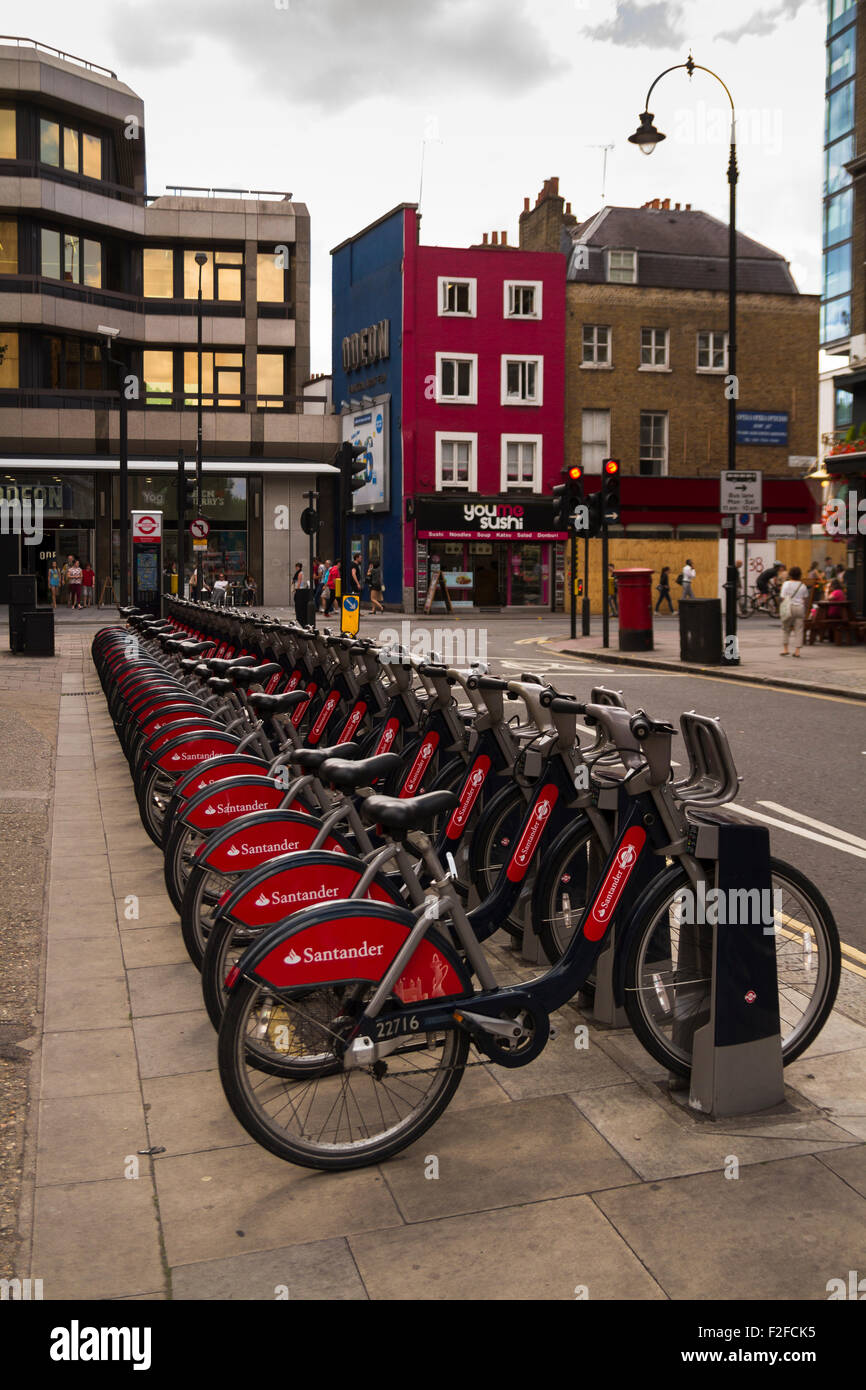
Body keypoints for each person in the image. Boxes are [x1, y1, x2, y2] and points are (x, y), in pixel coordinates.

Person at [779, 565, 809, 658]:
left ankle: (785, 649)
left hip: (789, 607)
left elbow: (783, 597)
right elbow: (805, 597)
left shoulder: (786, 584)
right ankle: (797, 651)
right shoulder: (803, 585)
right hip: (799, 607)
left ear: (790, 574)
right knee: (799, 629)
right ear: (799, 575)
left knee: (785, 628)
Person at [291, 561, 309, 625]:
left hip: (300, 589)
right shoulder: (298, 572)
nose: (296, 568)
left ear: (299, 567)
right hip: (299, 589)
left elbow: (299, 581)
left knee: (297, 600)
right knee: (296, 600)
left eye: (296, 567)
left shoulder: (300, 573)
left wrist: (297, 589)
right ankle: (297, 613)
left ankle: (298, 614)